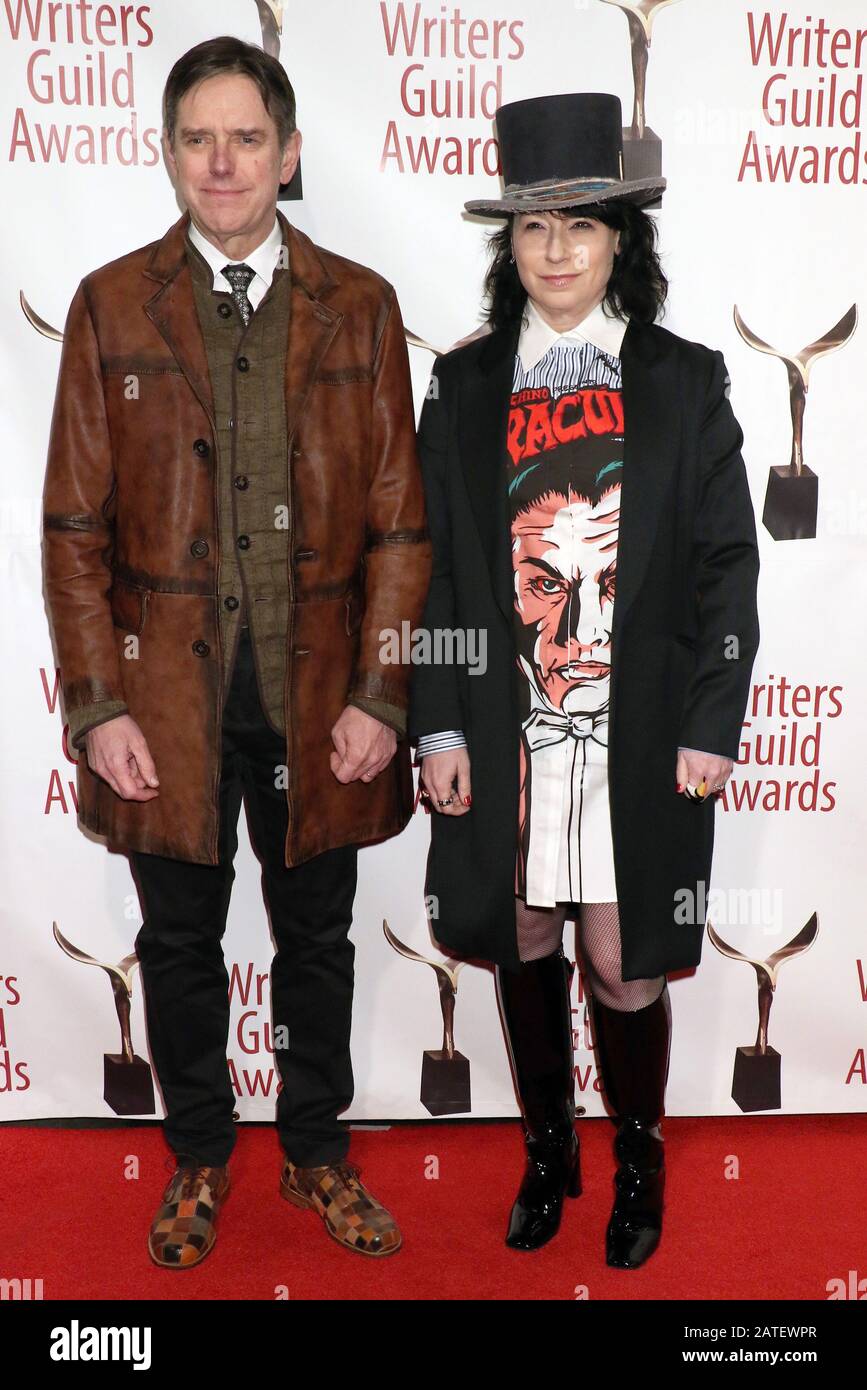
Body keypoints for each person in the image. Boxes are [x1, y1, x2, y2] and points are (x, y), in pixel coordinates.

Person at [42, 35, 431, 1267]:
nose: (223, 161)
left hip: (321, 703)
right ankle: (199, 1157)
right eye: (199, 138)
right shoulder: (111, 305)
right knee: (177, 944)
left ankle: (318, 1154)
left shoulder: (362, 306)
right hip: (166, 705)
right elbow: (71, 530)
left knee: (317, 940)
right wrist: (98, 703)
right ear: (167, 155)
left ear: (290, 152)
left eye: (247, 137)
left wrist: (381, 690)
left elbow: (403, 527)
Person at [409, 93, 760, 1268]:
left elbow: (726, 566)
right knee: (515, 936)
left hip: (643, 731)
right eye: (532, 228)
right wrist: (437, 732)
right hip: (507, 730)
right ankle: (549, 1147)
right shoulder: (460, 393)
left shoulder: (689, 380)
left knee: (618, 954)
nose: (557, 250)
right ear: (507, 247)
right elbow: (438, 582)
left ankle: (642, 1156)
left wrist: (714, 721)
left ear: (622, 237)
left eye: (584, 224)